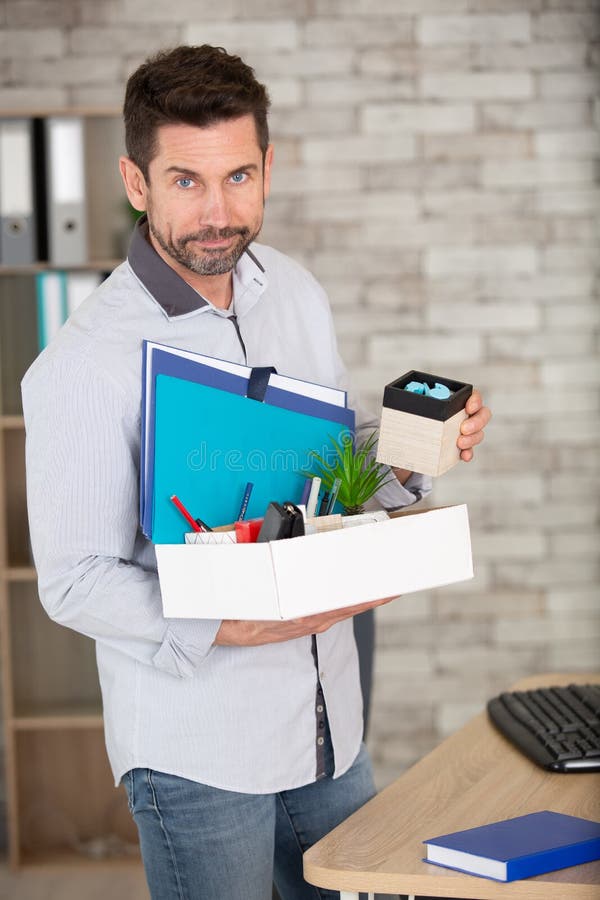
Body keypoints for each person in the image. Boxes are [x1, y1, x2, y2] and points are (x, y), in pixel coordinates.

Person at [22, 45, 491, 900]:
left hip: (327, 724)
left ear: (269, 167)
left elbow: (328, 471)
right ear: (136, 182)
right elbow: (73, 581)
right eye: (186, 181)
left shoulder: (297, 294)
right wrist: (226, 625)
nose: (218, 213)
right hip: (199, 750)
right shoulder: (83, 364)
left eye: (238, 176)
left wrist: (412, 448)